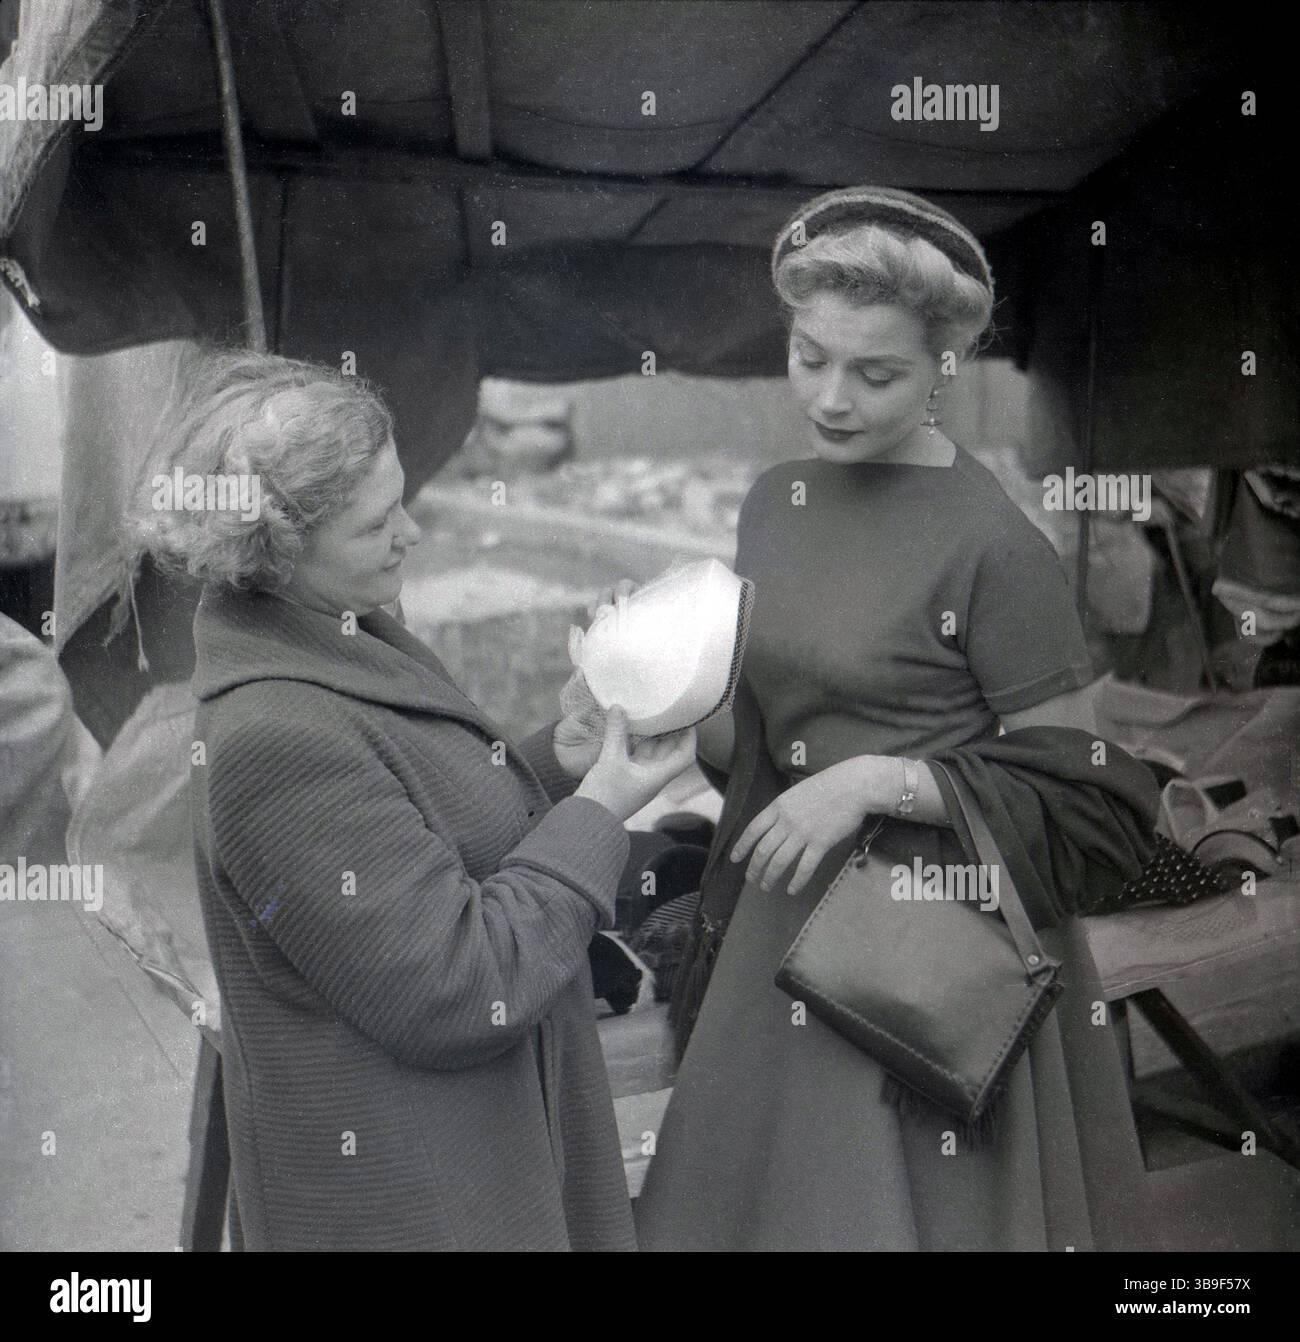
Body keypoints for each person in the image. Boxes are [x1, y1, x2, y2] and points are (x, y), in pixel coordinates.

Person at [634, 187, 1163, 1251]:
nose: (830, 397)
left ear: (942, 371)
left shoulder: (995, 548)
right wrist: (660, 706)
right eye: (807, 357)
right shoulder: (774, 498)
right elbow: (763, 737)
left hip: (933, 943)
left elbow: (1096, 804)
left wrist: (882, 779)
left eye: (875, 374)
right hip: (782, 930)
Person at [136, 349, 694, 1250]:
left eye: (399, 499)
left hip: (460, 1149)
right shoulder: (271, 738)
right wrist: (598, 810)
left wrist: (562, 758)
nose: (411, 534)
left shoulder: (330, 632)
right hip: (416, 1194)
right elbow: (462, 986)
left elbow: (422, 818)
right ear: (272, 550)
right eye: (374, 524)